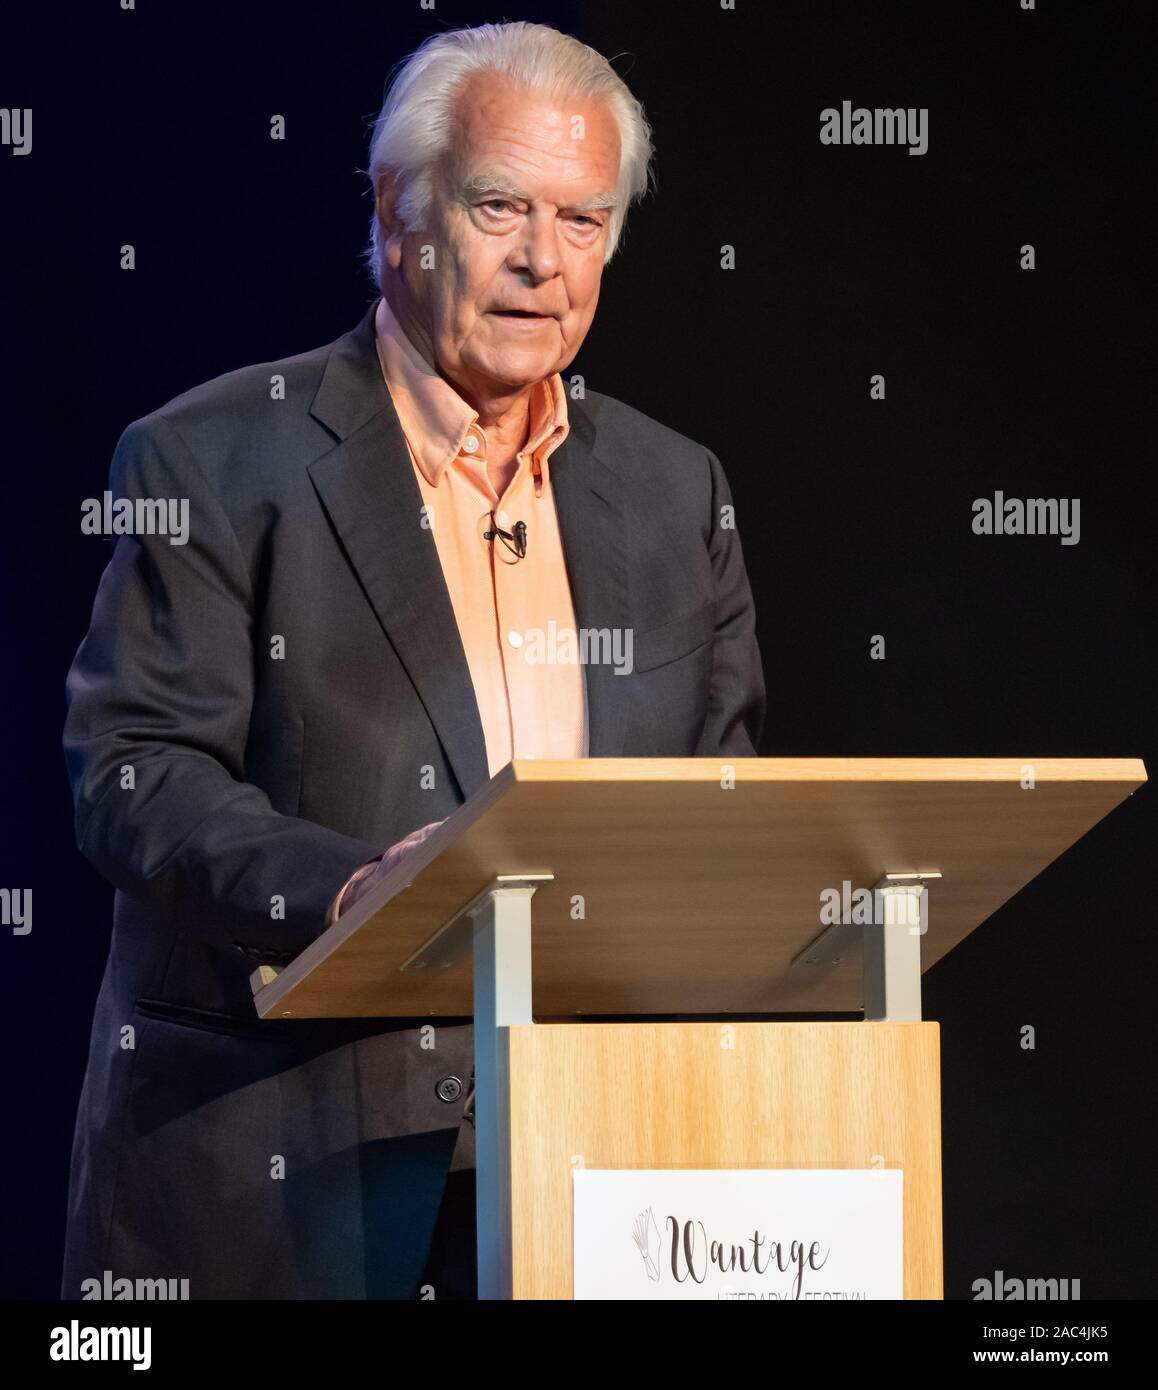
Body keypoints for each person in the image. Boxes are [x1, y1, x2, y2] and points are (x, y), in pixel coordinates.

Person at [61, 20, 765, 1300]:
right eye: (499, 205)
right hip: (285, 1175)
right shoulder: (212, 459)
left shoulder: (677, 489)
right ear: (399, 212)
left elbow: (716, 792)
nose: (544, 262)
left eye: (584, 219)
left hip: (594, 1178)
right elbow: (135, 774)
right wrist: (354, 892)